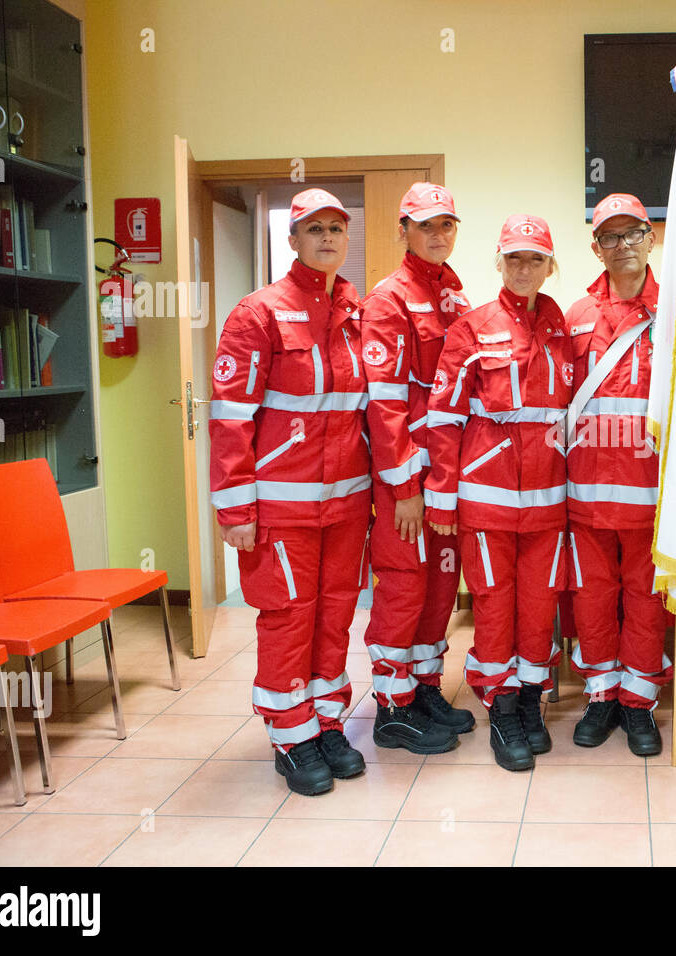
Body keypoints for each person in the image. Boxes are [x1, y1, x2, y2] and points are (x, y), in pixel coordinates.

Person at [210, 187, 370, 796]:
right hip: (281, 505)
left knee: (335, 616)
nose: (328, 237)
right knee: (289, 618)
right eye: (315, 229)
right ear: (293, 239)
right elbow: (229, 417)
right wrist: (235, 505)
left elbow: (363, 413)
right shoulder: (259, 313)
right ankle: (290, 732)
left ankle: (326, 722)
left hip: (347, 505)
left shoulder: (356, 312)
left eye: (337, 228)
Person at [424, 215, 570, 772]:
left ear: (549, 266)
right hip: (486, 497)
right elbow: (443, 416)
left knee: (539, 605)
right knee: (493, 606)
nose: (525, 268)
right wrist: (441, 494)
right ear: (500, 263)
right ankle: (502, 708)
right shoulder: (471, 327)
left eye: (536, 259)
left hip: (548, 499)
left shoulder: (558, 323)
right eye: (515, 259)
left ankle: (531, 700)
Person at [360, 182, 476, 754]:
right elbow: (383, 405)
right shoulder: (388, 300)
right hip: (407, 484)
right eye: (425, 225)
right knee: (404, 589)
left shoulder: (454, 294)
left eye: (446, 225)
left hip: (446, 479)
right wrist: (406, 488)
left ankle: (424, 688)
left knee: (439, 588)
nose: (437, 235)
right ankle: (392, 707)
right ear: (403, 230)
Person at [564, 193, 671, 756]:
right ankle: (601, 694)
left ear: (651, 237)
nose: (622, 245)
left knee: (646, 599)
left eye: (632, 233)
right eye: (610, 236)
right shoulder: (575, 316)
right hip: (585, 494)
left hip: (652, 495)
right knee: (593, 599)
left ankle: (639, 702)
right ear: (596, 247)